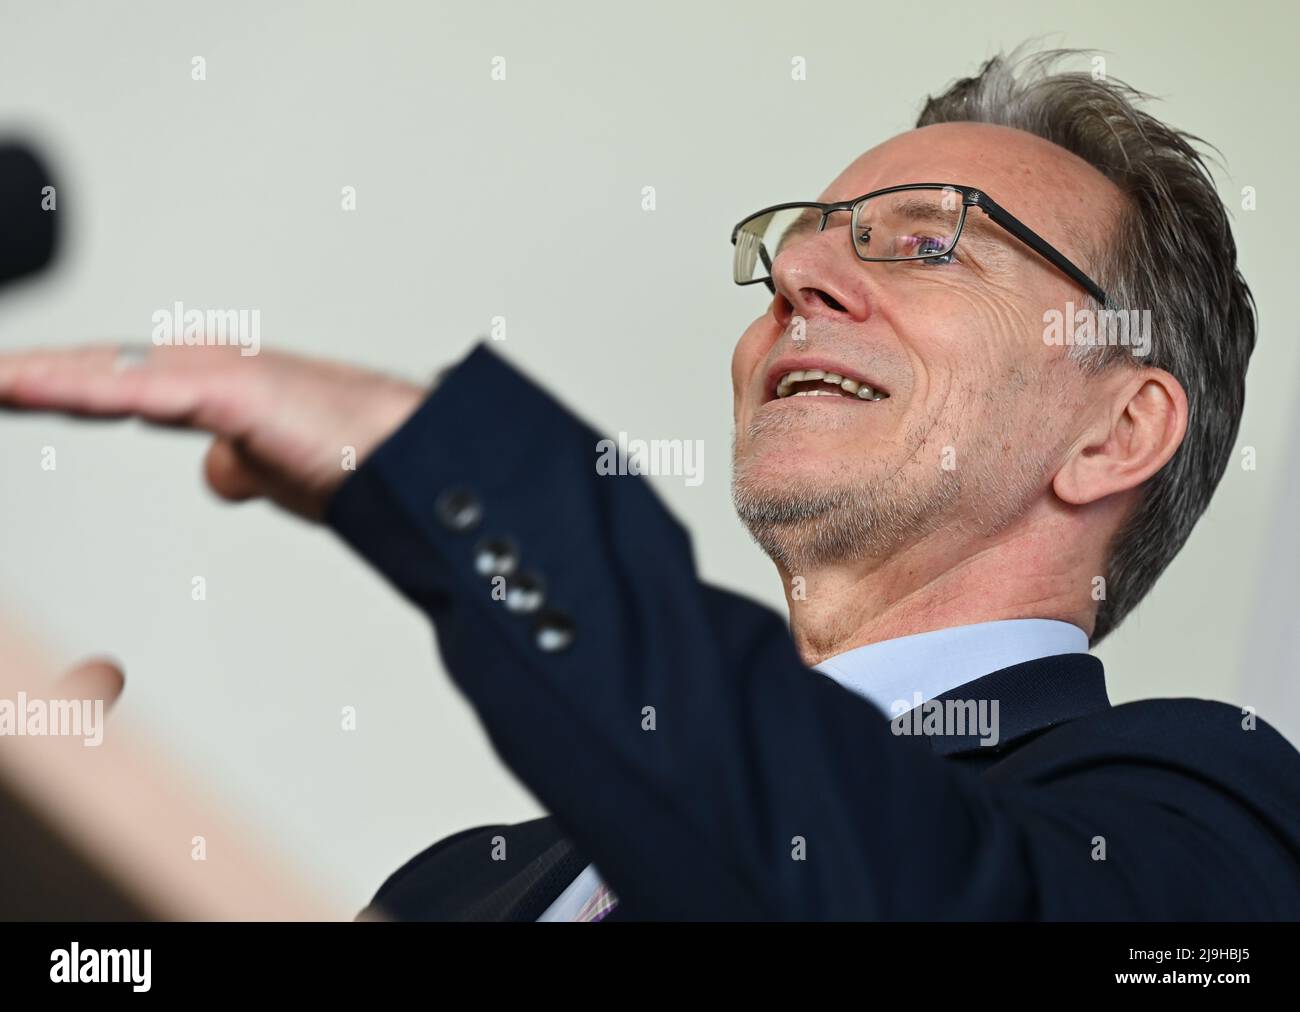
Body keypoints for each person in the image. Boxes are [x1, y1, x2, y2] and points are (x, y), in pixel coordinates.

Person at [2, 49, 1297, 921]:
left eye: (927, 246)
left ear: (1117, 430)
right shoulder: (462, 892)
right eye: (792, 255)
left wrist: (430, 453)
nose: (801, 281)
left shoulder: (1205, 827)